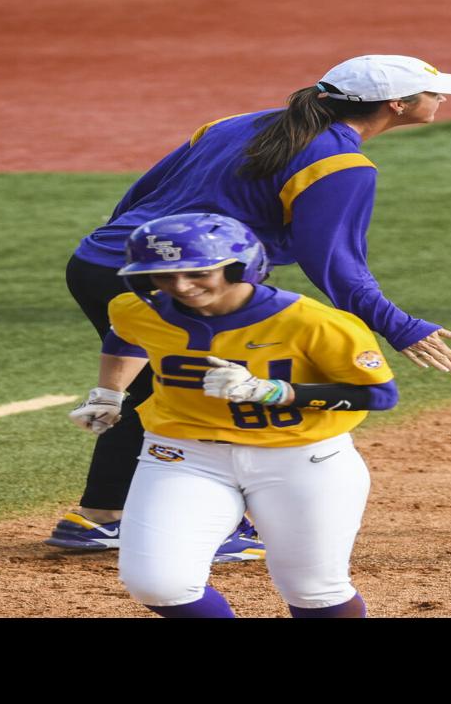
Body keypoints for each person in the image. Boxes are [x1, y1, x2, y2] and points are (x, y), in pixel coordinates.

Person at [48, 55, 451, 558]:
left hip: (104, 263)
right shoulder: (340, 165)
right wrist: (399, 326)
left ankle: (101, 517)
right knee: (204, 390)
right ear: (397, 105)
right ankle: (177, 523)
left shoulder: (231, 124)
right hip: (184, 279)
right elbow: (336, 265)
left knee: (163, 385)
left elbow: (141, 195)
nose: (443, 99)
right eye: (434, 92)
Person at [67, 213, 395, 617]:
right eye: (163, 276)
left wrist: (274, 391)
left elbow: (379, 394)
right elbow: (125, 335)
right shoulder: (136, 309)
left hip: (301, 458)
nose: (181, 287)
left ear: (238, 267)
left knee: (313, 589)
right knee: (157, 582)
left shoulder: (314, 322)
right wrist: (109, 393)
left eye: (198, 273)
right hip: (182, 456)